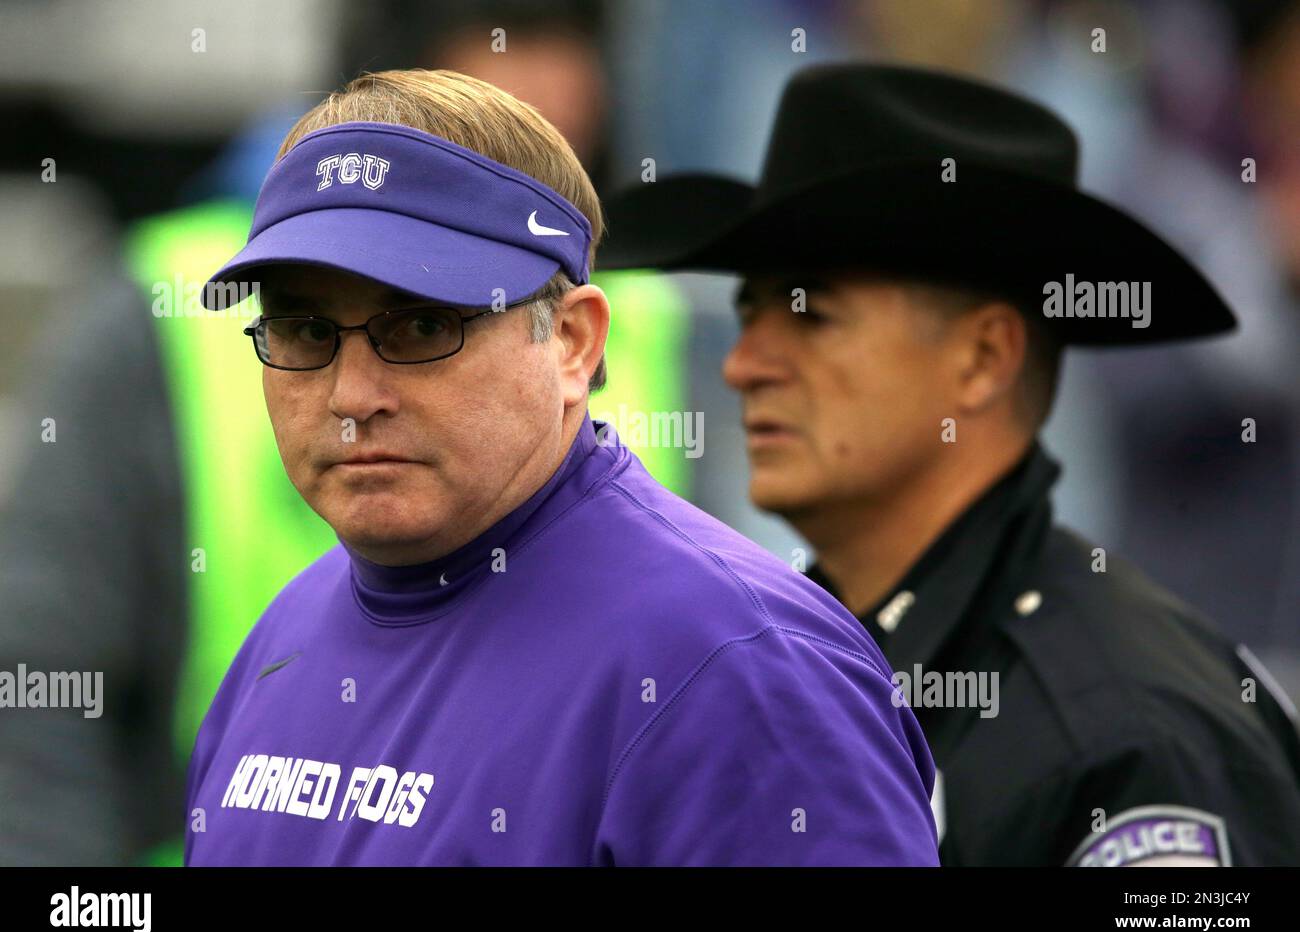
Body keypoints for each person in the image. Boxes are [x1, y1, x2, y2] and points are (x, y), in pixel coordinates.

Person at [182, 68, 939, 866]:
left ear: (573, 342)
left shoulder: (742, 671)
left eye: (422, 324)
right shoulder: (280, 642)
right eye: (304, 330)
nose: (352, 395)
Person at [599, 62, 1300, 866]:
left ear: (982, 359)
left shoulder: (1127, 735)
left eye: (811, 315)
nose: (743, 365)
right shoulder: (781, 661)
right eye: (748, 313)